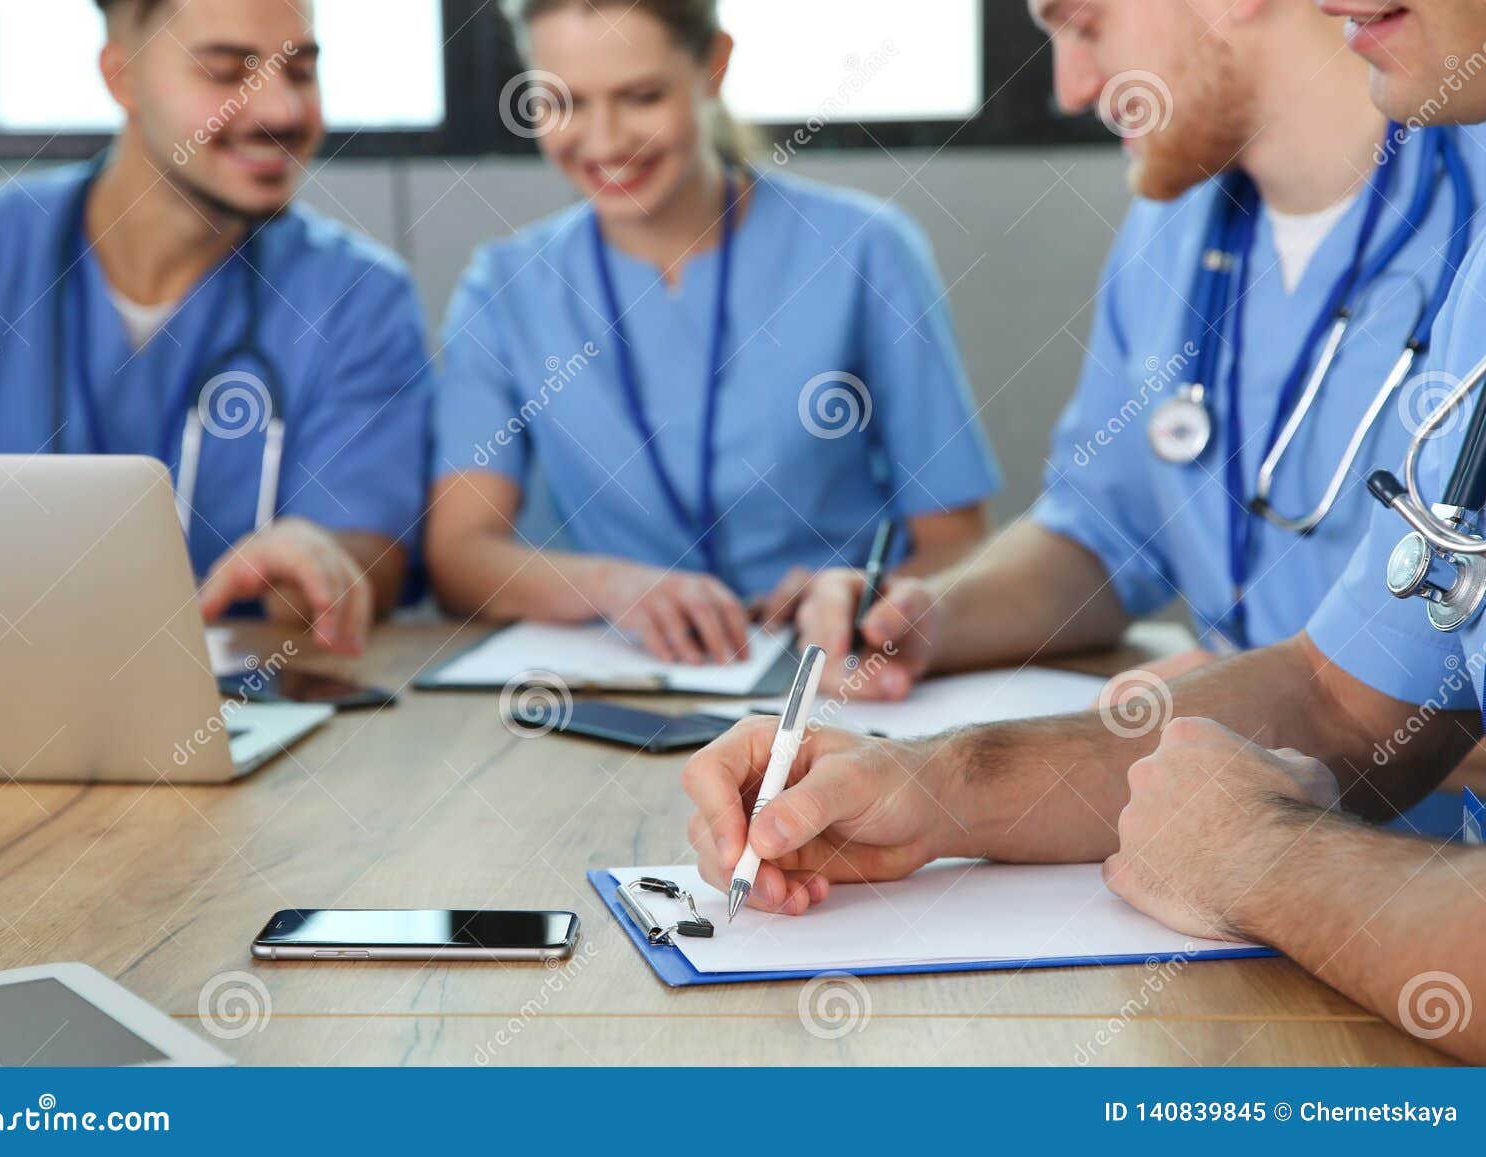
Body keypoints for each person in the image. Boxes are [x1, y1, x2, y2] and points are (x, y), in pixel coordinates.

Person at [680, 0, 1486, 1065]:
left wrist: (1261, 851)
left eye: (1083, 20)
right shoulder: (1192, 223)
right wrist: (930, 783)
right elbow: (1338, 693)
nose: (1064, 86)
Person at [778, 0, 1483, 701]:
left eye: (1087, 27)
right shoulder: (1171, 230)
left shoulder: (1470, 204)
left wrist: (1272, 706)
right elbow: (1105, 537)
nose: (1072, 89)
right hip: (1220, 795)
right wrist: (931, 615)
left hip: (1424, 813)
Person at [424, 0, 1000, 667]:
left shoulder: (867, 252)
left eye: (640, 96)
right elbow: (459, 557)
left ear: (713, 67)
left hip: (834, 669)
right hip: (626, 679)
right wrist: (613, 587)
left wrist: (865, 594)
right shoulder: (504, 288)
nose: (605, 140)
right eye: (563, 102)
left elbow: (959, 541)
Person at [0, 0, 428, 656]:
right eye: (228, 72)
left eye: (302, 72)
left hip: (244, 715)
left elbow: (364, 551)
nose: (282, 111)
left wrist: (320, 559)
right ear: (122, 77)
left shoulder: (357, 297)